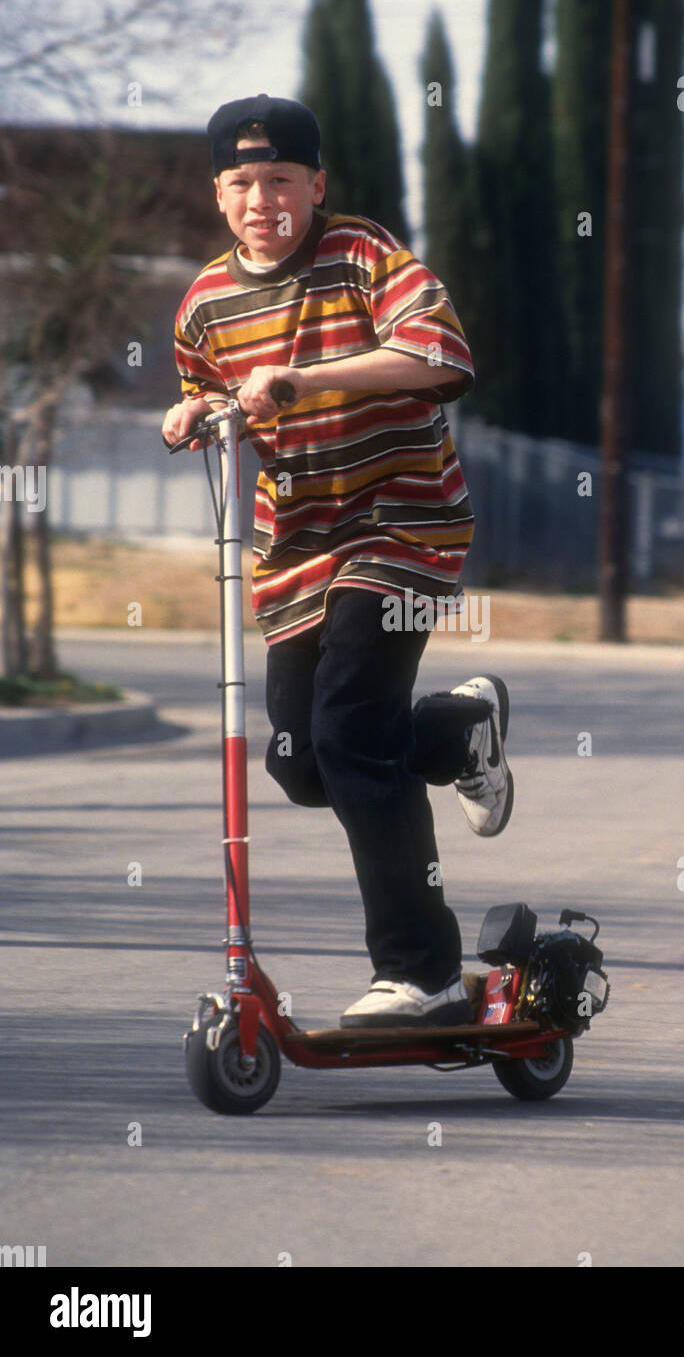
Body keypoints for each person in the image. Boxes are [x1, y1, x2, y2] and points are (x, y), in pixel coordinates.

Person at [161, 94, 513, 1028]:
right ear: (219, 195)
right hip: (295, 548)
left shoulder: (365, 256)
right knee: (303, 761)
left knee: (354, 734)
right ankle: (460, 731)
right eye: (242, 182)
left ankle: (422, 971)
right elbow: (206, 385)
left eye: (282, 180)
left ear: (317, 185)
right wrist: (192, 412)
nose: (262, 199)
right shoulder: (204, 303)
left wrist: (306, 378)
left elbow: (437, 354)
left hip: (402, 526)